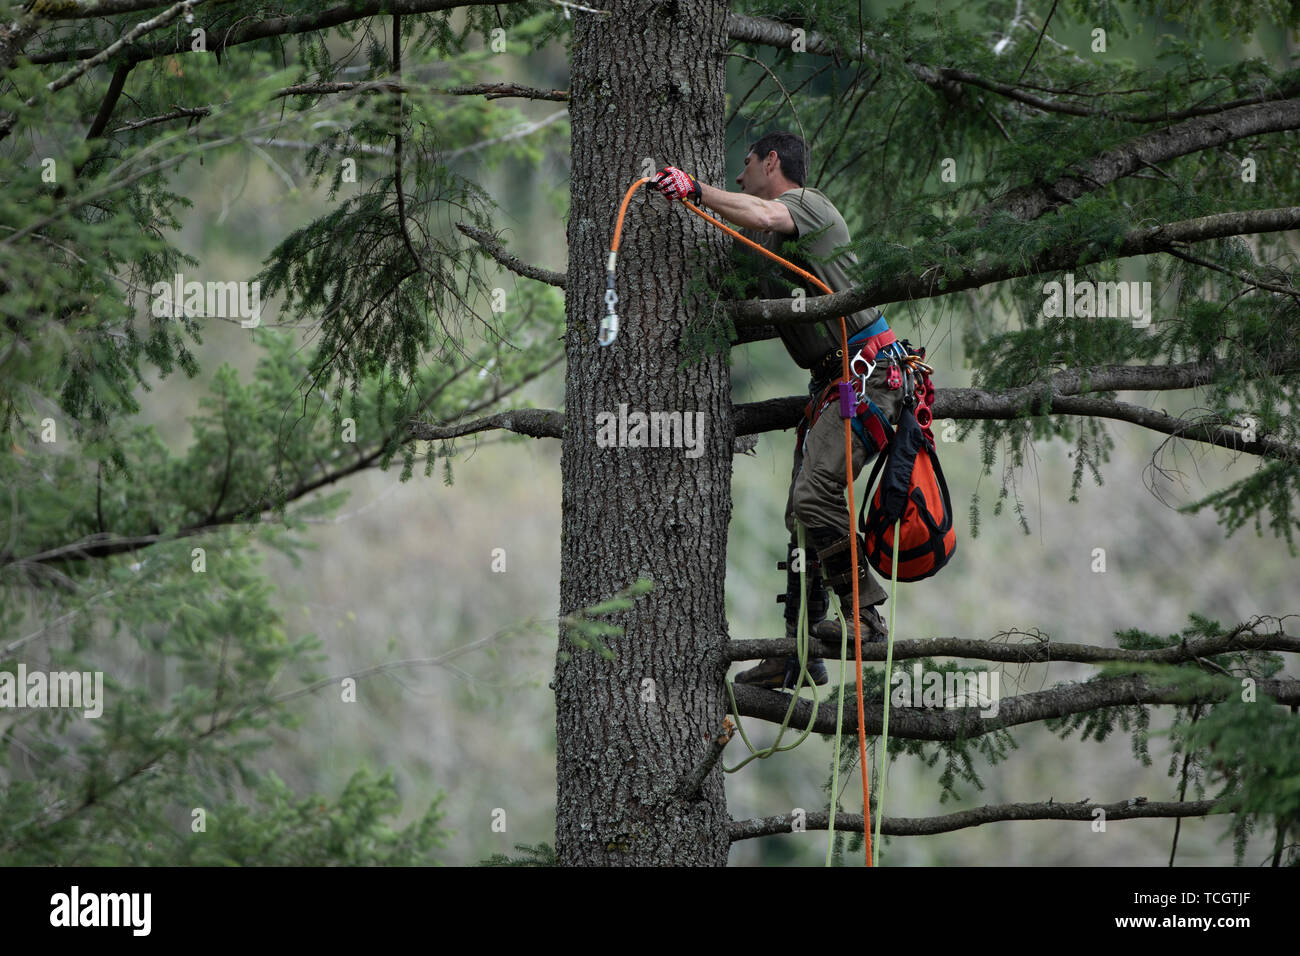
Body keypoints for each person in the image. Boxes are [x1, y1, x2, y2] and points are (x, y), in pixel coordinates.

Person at [649, 132, 905, 690]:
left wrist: (695, 190)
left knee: (814, 496)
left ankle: (864, 615)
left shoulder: (807, 207)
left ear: (772, 162)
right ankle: (799, 651)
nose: (739, 177)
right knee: (801, 513)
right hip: (834, 384)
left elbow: (765, 212)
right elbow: (741, 272)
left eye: (745, 166)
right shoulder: (769, 241)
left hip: (867, 375)